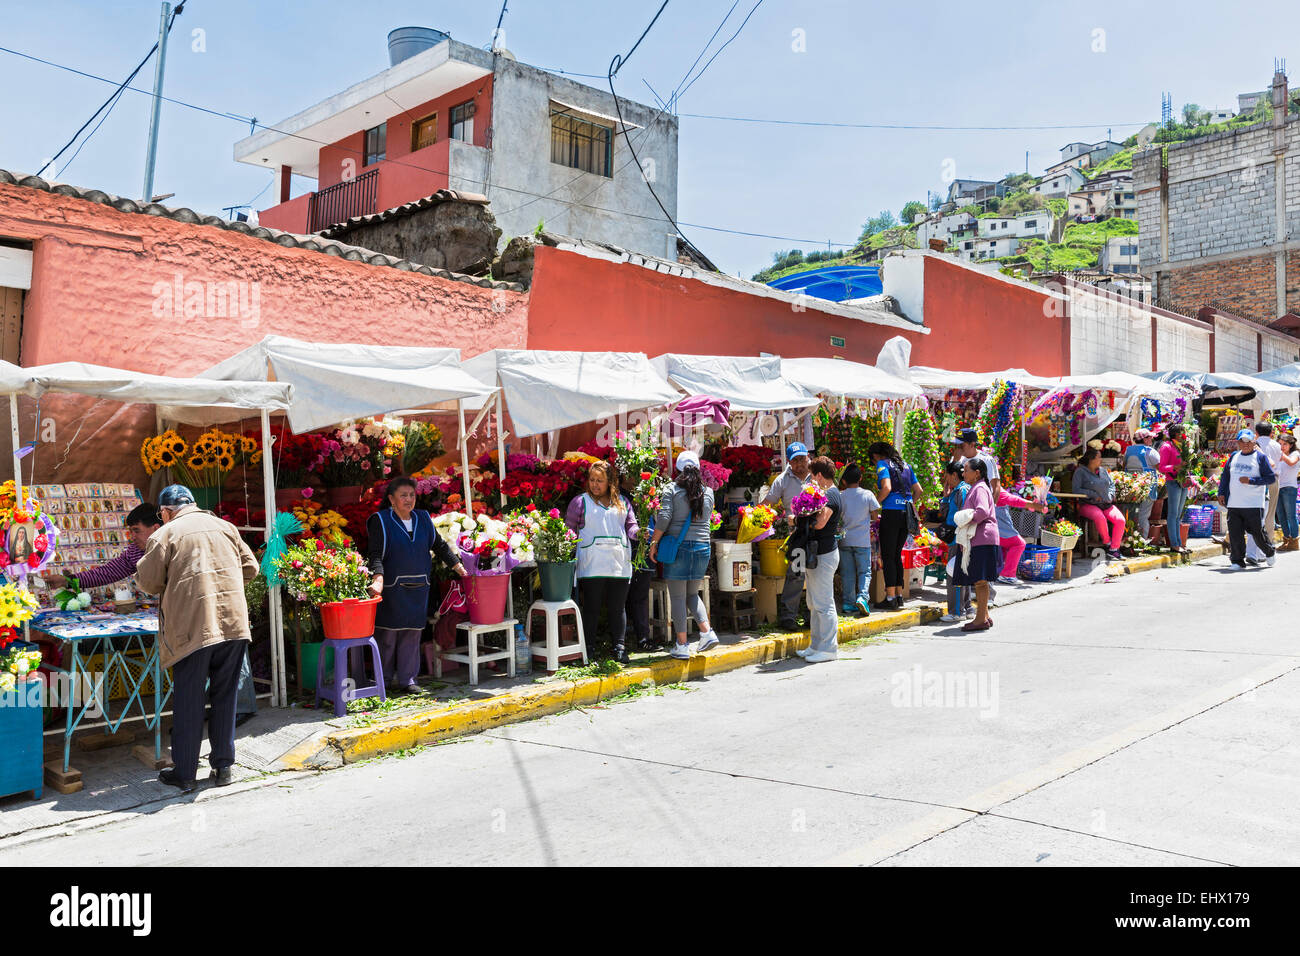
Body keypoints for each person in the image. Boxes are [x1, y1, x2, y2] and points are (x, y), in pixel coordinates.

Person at [135, 485, 258, 793]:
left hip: (194, 628)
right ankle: (223, 767)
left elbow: (148, 583)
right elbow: (251, 568)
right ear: (193, 504)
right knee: (225, 697)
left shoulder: (165, 534)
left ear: (164, 512)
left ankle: (186, 773)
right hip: (232, 622)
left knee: (189, 701)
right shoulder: (225, 526)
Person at [366, 477, 466, 695]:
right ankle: (383, 680)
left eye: (411, 495)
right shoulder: (381, 521)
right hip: (392, 588)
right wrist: (378, 578)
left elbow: (439, 545)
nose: (408, 499)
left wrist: (457, 566)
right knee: (389, 635)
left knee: (412, 634)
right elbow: (375, 554)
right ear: (391, 499)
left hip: (419, 586)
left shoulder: (422, 519)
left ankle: (408, 679)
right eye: (403, 495)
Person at [649, 451, 719, 660]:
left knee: (678, 597)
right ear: (698, 468)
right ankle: (706, 632)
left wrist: (654, 542)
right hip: (702, 548)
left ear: (677, 470)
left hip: (679, 550)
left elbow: (664, 518)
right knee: (691, 594)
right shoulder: (708, 492)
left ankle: (681, 645)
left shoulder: (671, 489)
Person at [566, 459, 638, 664]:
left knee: (618, 608)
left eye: (600, 480)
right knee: (591, 607)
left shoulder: (623, 502)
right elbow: (569, 531)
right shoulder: (580, 502)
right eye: (592, 480)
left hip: (618, 563)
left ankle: (619, 647)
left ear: (611, 483)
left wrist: (639, 533)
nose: (595, 484)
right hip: (592, 564)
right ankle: (588, 648)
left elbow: (630, 526)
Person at [794, 456, 843, 663]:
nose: (811, 479)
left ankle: (829, 648)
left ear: (820, 475)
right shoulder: (826, 494)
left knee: (824, 602)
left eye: (812, 475)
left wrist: (801, 520)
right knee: (813, 602)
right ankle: (815, 645)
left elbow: (821, 523)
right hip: (818, 554)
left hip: (825, 554)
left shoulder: (831, 496)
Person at [762, 442, 812, 629]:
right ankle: (789, 616)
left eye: (802, 459)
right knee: (796, 574)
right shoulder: (782, 480)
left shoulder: (816, 474)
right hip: (798, 536)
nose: (800, 464)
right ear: (789, 462)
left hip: (818, 534)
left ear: (808, 457)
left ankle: (812, 614)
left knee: (815, 575)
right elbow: (768, 503)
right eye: (795, 460)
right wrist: (754, 516)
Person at [868, 441, 922, 610]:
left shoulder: (883, 465)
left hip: (891, 513)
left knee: (888, 556)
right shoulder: (906, 465)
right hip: (906, 514)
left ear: (876, 456)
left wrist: (874, 504)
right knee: (897, 554)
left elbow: (886, 487)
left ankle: (890, 597)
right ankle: (899, 595)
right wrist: (907, 503)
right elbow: (918, 491)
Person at [951, 458, 1000, 632]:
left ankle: (980, 620)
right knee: (981, 581)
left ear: (977, 473)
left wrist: (964, 518)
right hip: (982, 538)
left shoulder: (979, 488)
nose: (963, 473)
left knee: (979, 581)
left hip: (982, 538)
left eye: (966, 470)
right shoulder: (978, 487)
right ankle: (984, 616)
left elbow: (982, 512)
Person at [1218, 429, 1277, 570]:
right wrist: (1221, 493)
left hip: (1253, 503)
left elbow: (1270, 478)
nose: (1245, 444)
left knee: (1257, 533)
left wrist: (1251, 480)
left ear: (1253, 442)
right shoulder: (1233, 456)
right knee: (1235, 533)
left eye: (1248, 441)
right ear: (1238, 443)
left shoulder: (1260, 458)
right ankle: (1237, 561)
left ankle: (1269, 551)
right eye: (1242, 441)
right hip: (1234, 503)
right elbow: (1225, 476)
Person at [619, 471, 657, 651]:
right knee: (622, 597)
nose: (636, 477)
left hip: (644, 550)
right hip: (624, 552)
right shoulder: (618, 497)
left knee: (640, 595)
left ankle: (643, 638)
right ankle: (621, 641)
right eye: (632, 473)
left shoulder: (646, 495)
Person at [837, 463, 880, 618]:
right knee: (864, 572)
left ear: (843, 482)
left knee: (847, 573)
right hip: (862, 541)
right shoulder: (868, 494)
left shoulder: (841, 496)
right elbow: (875, 517)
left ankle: (848, 604)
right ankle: (862, 597)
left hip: (845, 541)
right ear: (860, 478)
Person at [1072, 447, 1126, 559]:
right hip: (1088, 504)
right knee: (1099, 517)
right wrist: (1092, 494)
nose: (1101, 460)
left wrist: (1111, 495)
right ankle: (1107, 543)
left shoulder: (1103, 471)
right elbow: (1076, 490)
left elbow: (1111, 485)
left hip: (1106, 503)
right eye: (1099, 457)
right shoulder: (1080, 472)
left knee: (1120, 520)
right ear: (1091, 459)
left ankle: (1114, 549)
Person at [938, 462, 972, 624]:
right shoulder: (957, 491)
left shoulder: (962, 492)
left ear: (953, 475)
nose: (945, 478)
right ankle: (967, 608)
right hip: (958, 538)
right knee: (961, 572)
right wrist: (945, 496)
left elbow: (964, 516)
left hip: (959, 539)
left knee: (954, 575)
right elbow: (945, 513)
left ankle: (957, 611)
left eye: (946, 475)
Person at [1248, 421, 1282, 562]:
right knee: (1269, 515)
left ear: (1256, 432)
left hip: (1257, 481)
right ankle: (1266, 547)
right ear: (1271, 432)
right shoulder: (1277, 445)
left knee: (1256, 515)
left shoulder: (1253, 444)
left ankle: (1258, 551)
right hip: (1274, 480)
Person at [1157, 423, 1190, 554]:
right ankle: (1175, 544)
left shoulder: (1182, 446)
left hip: (1183, 482)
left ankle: (1179, 543)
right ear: (1176, 434)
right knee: (1173, 514)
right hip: (1173, 481)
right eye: (1182, 432)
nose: (1184, 435)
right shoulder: (1166, 447)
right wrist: (1175, 467)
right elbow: (1161, 467)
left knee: (1178, 515)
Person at [1123, 428, 1161, 540]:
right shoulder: (1150, 452)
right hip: (1147, 488)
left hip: (1131, 488)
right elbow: (1161, 467)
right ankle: (1142, 541)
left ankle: (1129, 539)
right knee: (1143, 516)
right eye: (1150, 437)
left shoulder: (1128, 450)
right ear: (1144, 439)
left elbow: (1124, 465)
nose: (1152, 440)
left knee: (1131, 515)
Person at [1277, 433, 1300, 551]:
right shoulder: (1279, 456)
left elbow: (1291, 462)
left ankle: (1294, 541)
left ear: (1291, 445)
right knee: (1281, 516)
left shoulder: (1295, 454)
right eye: (1279, 444)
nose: (1281, 446)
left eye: (1284, 444)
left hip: (1289, 488)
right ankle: (1286, 540)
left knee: (1291, 515)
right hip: (1278, 488)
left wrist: (1279, 453)